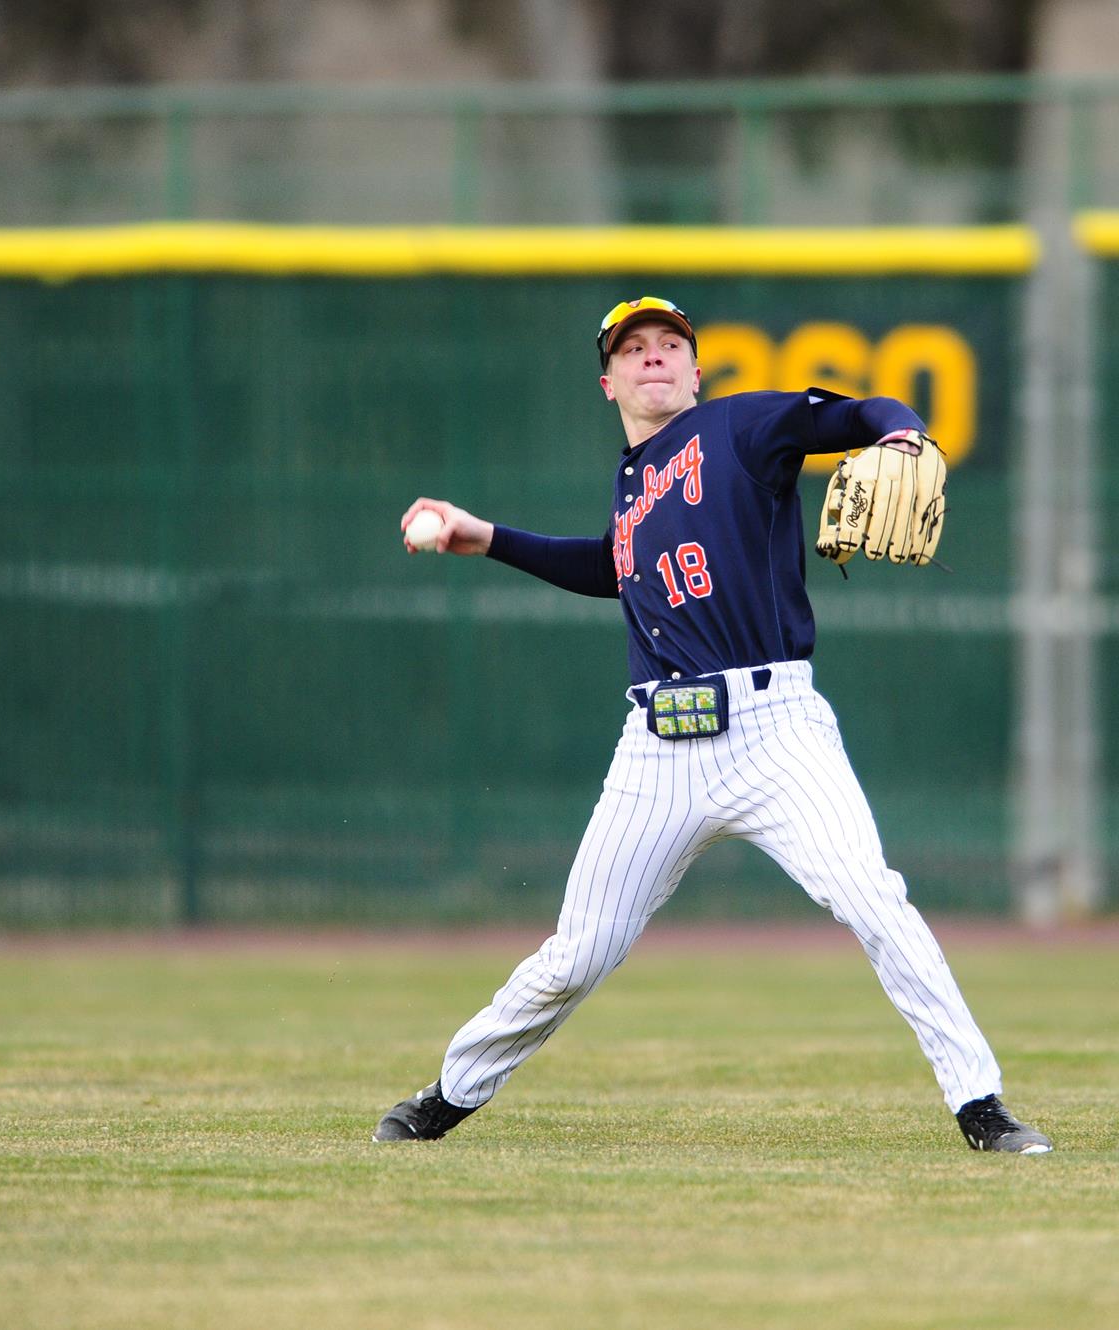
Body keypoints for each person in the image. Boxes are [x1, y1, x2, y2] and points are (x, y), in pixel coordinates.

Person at [375, 296, 1050, 1154]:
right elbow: (615, 564)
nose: (653, 356)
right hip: (655, 749)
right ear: (608, 382)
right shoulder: (632, 483)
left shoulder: (739, 427)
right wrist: (489, 538)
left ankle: (981, 1106)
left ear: (696, 372)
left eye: (670, 345)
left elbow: (860, 414)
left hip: (776, 731)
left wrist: (904, 435)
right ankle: (447, 1095)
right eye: (633, 349)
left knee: (872, 899)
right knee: (578, 954)